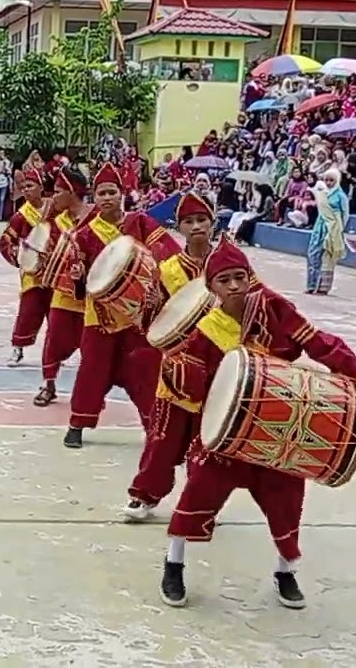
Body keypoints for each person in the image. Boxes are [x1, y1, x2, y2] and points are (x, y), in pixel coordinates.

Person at [160, 238, 356, 609]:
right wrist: (175, 369)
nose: (233, 286)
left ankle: (286, 572)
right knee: (197, 491)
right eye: (224, 280)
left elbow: (321, 343)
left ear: (249, 277)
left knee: (287, 503)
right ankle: (174, 564)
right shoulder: (205, 330)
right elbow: (196, 388)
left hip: (279, 429)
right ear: (211, 286)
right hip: (225, 437)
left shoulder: (274, 309)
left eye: (239, 277)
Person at [63, 164, 181, 449]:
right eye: (101, 193)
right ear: (94, 196)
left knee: (146, 367)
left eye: (112, 192)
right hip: (99, 315)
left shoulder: (139, 223)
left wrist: (156, 276)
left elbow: (168, 252)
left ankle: (154, 426)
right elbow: (78, 281)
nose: (106, 198)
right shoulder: (84, 235)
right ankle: (77, 424)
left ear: (122, 194)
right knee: (92, 368)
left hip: (136, 314)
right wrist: (78, 276)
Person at [123, 193, 214, 520]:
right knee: (162, 434)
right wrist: (148, 302)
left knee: (210, 439)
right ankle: (145, 493)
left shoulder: (229, 262)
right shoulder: (168, 269)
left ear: (211, 222)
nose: (196, 227)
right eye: (189, 222)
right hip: (177, 362)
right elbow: (152, 323)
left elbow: (252, 306)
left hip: (218, 365)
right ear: (180, 228)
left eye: (201, 220)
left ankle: (202, 503)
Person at [33, 169, 90, 407]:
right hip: (63, 292)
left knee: (92, 345)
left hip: (92, 295)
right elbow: (47, 249)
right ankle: (48, 384)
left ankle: (91, 393)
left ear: (72, 192)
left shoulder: (97, 219)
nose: (53, 197)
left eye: (58, 192)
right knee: (54, 339)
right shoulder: (57, 221)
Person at [0, 168, 50, 365]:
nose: (26, 190)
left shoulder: (54, 210)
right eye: (23, 187)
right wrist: (19, 258)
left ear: (40, 187)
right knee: (28, 310)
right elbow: (5, 240)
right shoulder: (21, 216)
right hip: (32, 273)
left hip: (54, 270)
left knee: (57, 314)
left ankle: (55, 353)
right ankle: (18, 348)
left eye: (30, 186)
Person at [304, 168, 349, 296]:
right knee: (313, 253)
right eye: (326, 180)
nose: (329, 183)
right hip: (320, 226)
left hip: (333, 227)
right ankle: (311, 285)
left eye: (331, 180)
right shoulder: (322, 193)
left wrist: (339, 229)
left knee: (327, 257)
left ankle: (323, 287)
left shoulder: (340, 195)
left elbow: (345, 213)